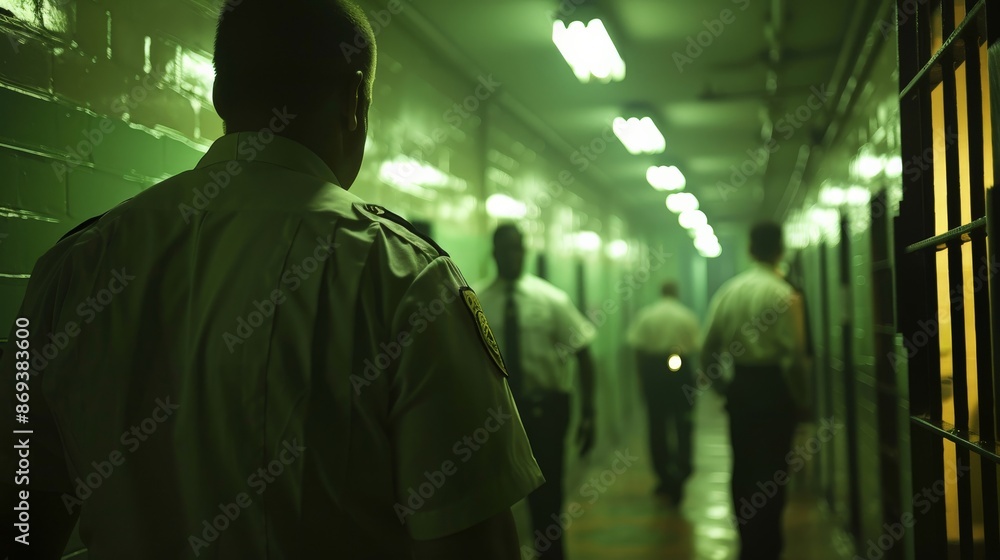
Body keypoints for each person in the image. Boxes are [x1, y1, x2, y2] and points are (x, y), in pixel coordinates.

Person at [0, 1, 544, 558]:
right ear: (356, 100)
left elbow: (22, 517)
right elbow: (475, 542)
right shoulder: (404, 276)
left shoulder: (71, 268)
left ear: (219, 95)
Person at [477, 224, 597, 560]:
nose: (512, 256)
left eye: (518, 249)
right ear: (495, 253)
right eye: (505, 249)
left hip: (547, 410)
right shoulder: (479, 301)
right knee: (497, 500)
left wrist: (590, 412)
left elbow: (584, 354)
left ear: (525, 252)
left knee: (547, 497)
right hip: (499, 414)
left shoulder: (551, 300)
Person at [700, 221, 810, 560]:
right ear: (781, 249)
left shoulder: (728, 292)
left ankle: (748, 542)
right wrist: (802, 401)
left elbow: (707, 352)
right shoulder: (785, 294)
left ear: (749, 249)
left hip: (742, 387)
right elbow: (794, 358)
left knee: (743, 466)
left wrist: (724, 389)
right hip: (775, 390)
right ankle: (769, 545)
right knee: (774, 470)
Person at [626, 280, 700, 505]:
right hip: (681, 372)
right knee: (683, 422)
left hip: (654, 372)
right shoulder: (686, 315)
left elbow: (637, 348)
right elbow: (696, 347)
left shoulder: (647, 315)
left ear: (661, 291)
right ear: (676, 292)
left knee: (656, 425)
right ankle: (682, 468)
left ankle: (663, 475)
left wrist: (641, 379)